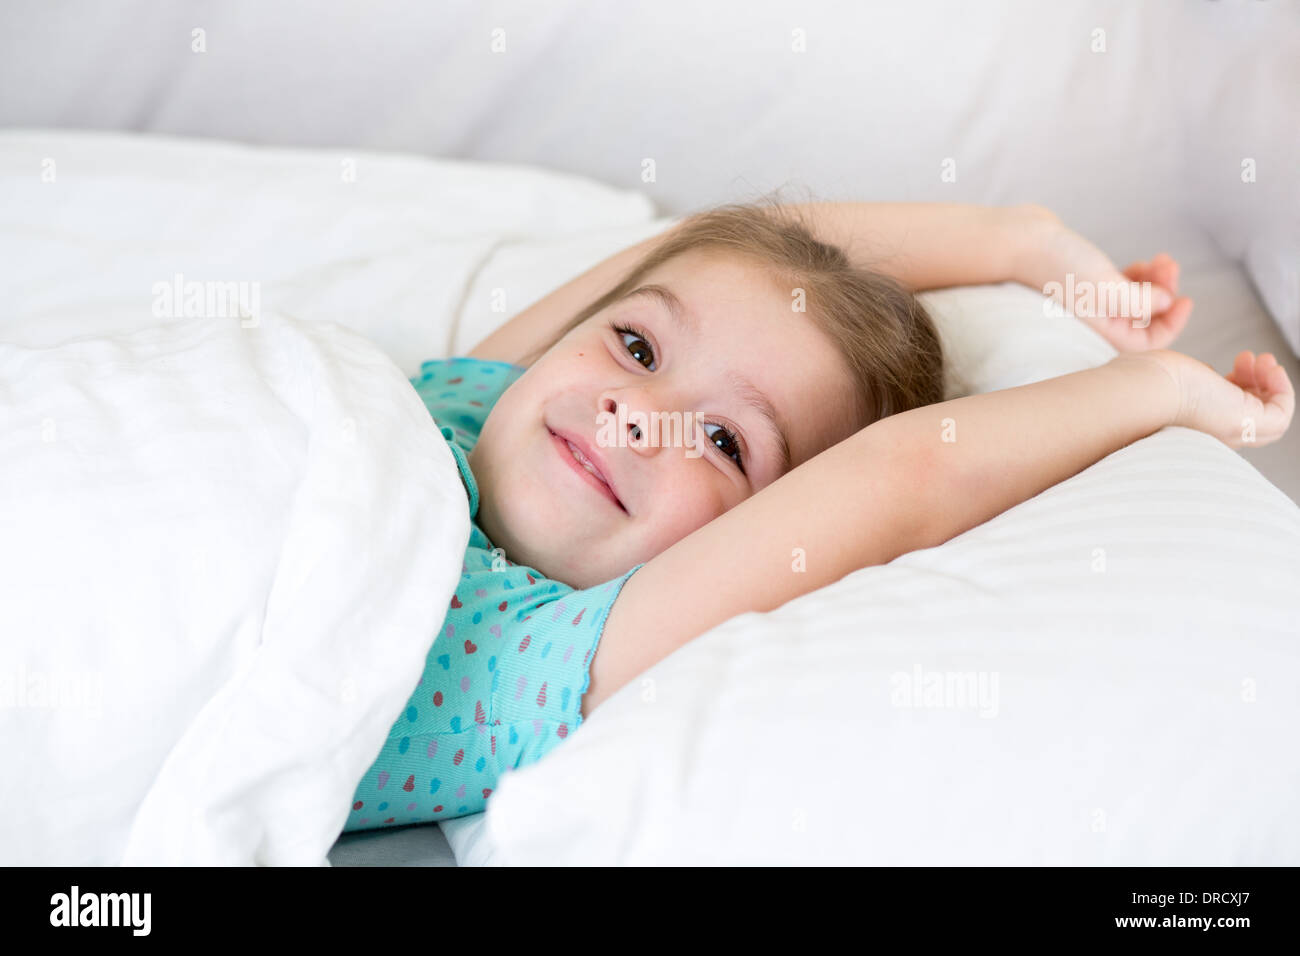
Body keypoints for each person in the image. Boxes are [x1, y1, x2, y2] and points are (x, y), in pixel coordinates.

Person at [343, 197, 1292, 830]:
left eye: (725, 443)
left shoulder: (532, 657)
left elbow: (903, 477)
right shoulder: (471, 400)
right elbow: (696, 249)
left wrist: (1163, 388)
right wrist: (1021, 242)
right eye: (635, 345)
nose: (638, 416)